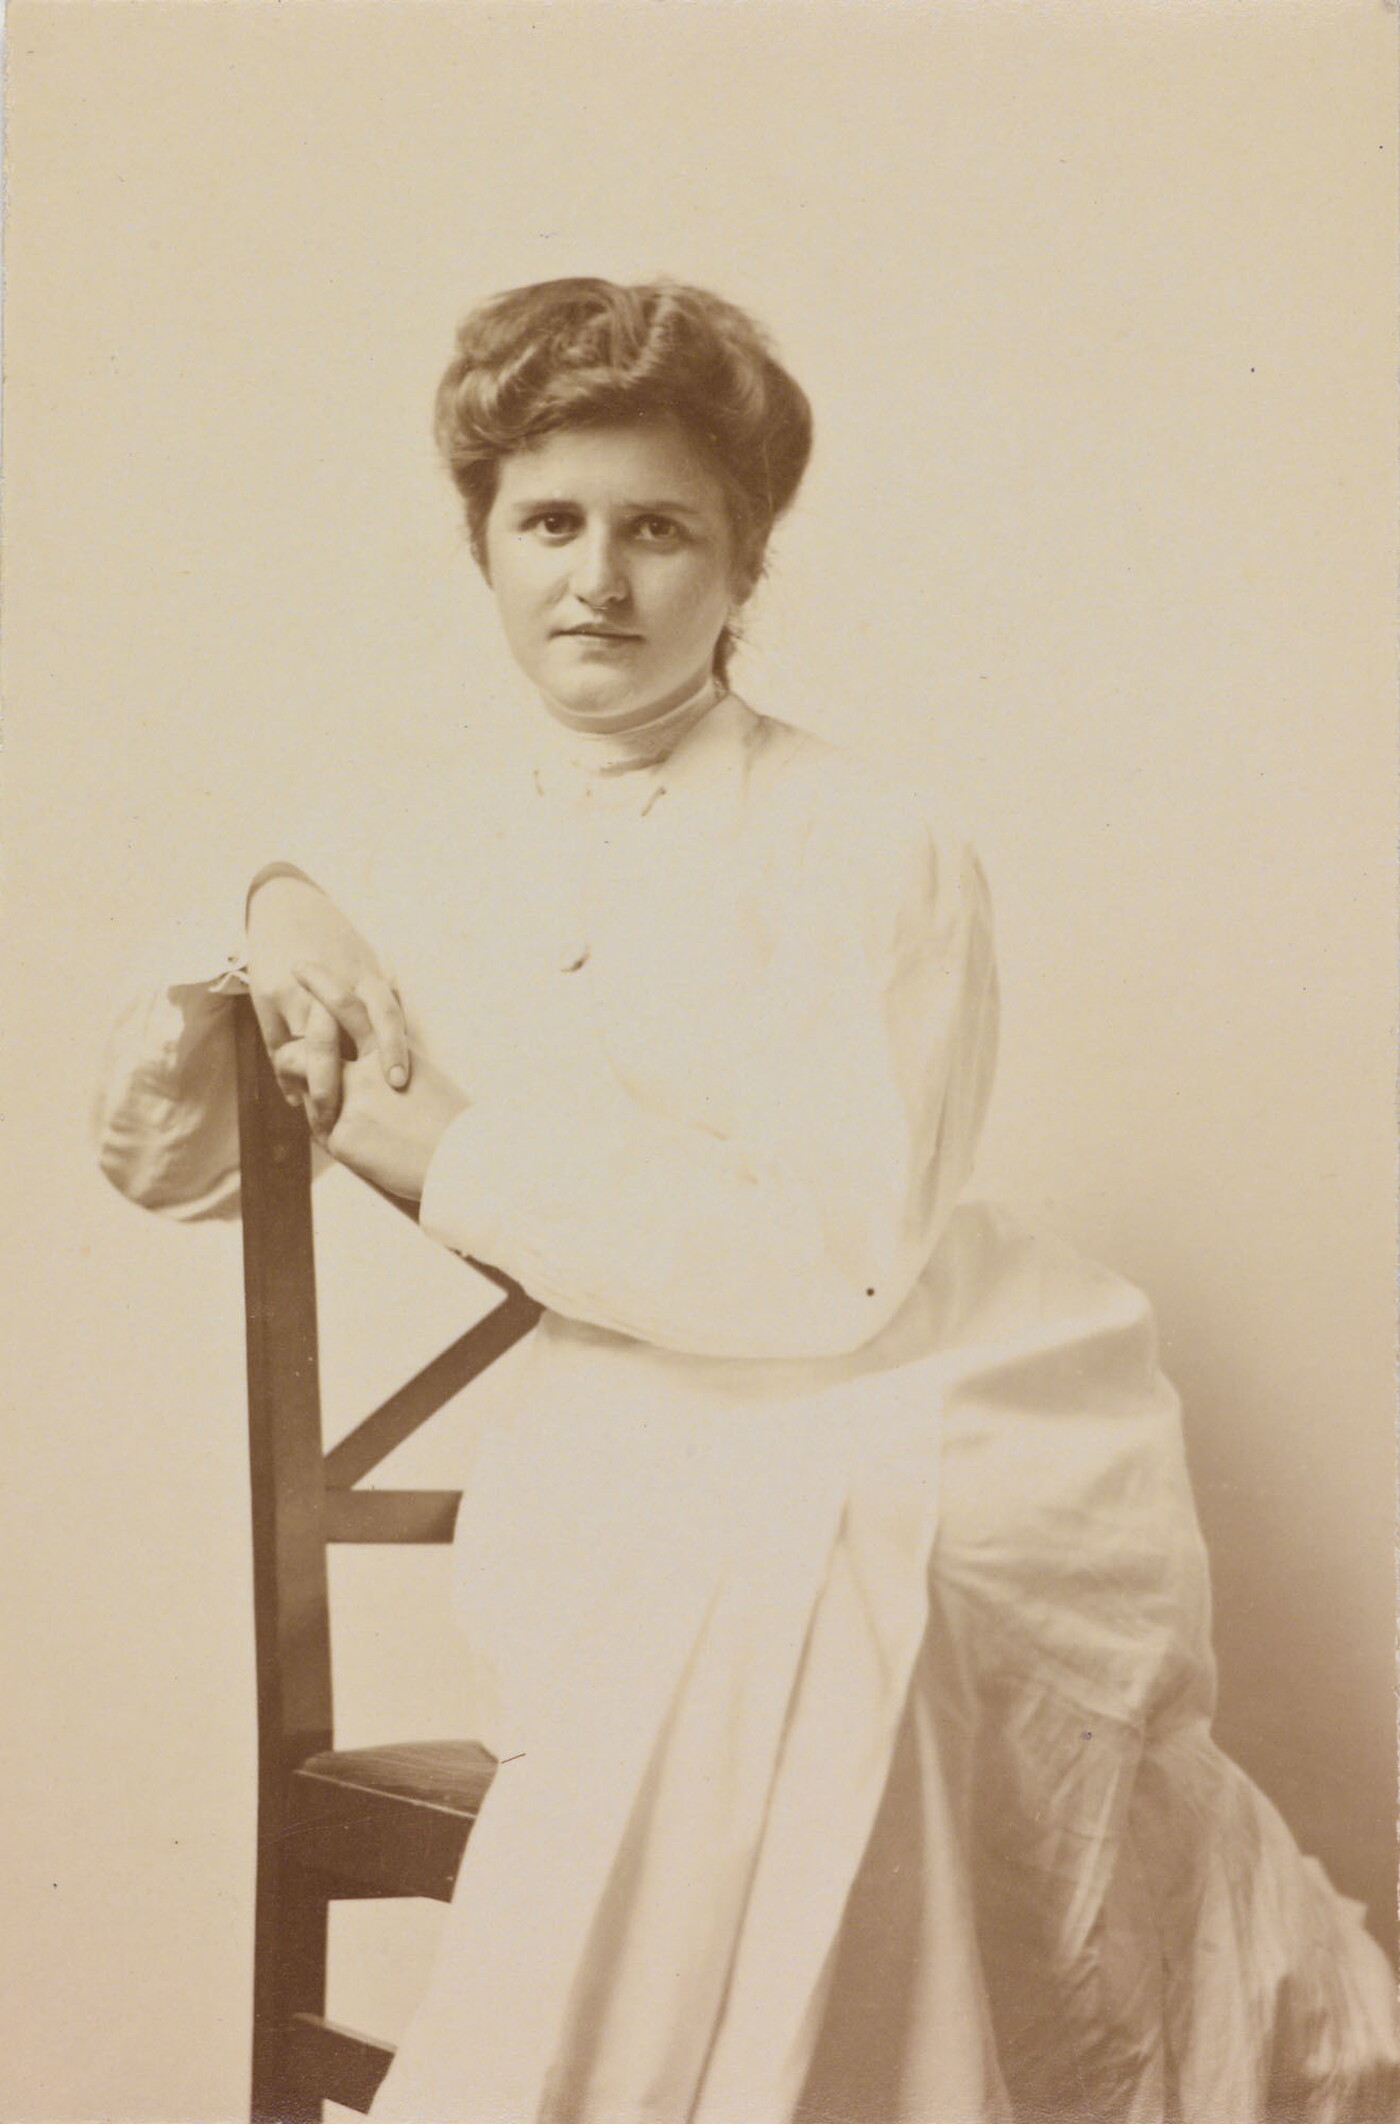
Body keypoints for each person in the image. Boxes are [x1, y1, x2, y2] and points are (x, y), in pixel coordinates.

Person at [95, 279, 1398, 2123]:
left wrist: (456, 1154)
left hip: (937, 1404)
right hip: (626, 1456)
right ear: (483, 543)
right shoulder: (418, 847)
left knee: (831, 1542)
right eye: (550, 523)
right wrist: (264, 903)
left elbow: (826, 1273)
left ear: (744, 561)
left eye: (660, 531)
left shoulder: (871, 841)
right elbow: (173, 1164)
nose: (598, 582)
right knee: (770, 1556)